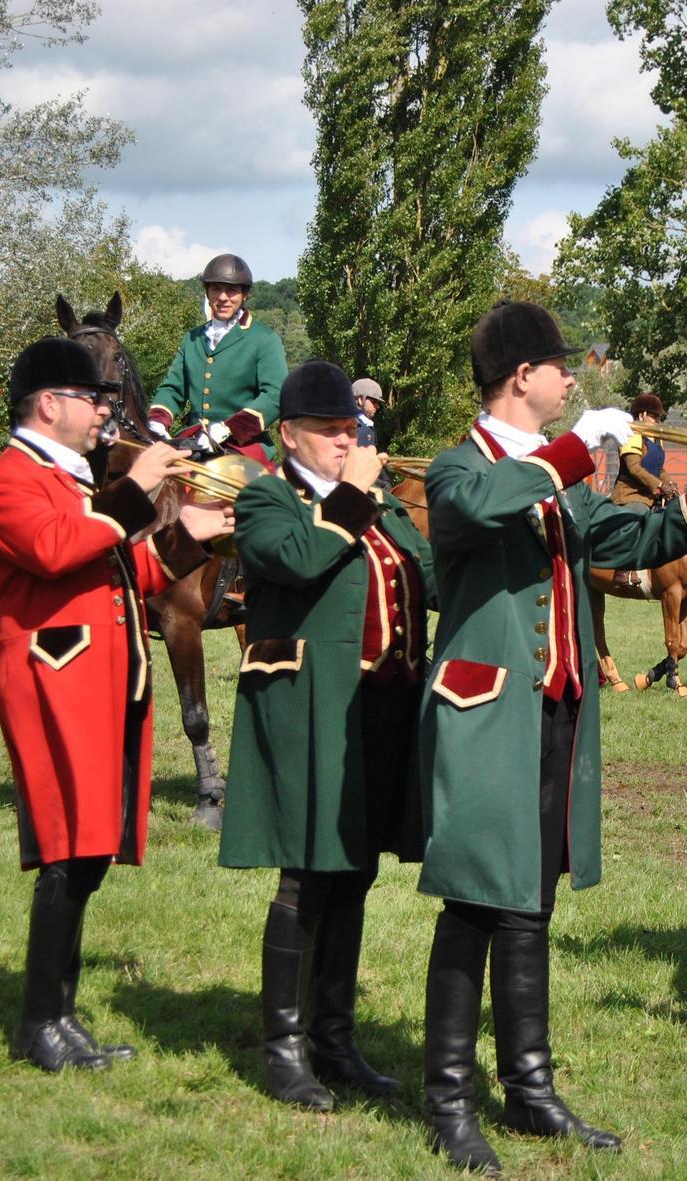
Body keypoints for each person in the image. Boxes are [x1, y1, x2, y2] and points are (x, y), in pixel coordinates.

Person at [417, 300, 687, 1175]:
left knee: (530, 897)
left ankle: (529, 1087)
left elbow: (635, 534)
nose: (571, 380)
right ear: (518, 377)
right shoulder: (461, 467)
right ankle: (449, 1098)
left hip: (555, 711)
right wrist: (578, 448)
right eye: (558, 368)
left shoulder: (559, 480)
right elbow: (476, 510)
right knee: (475, 898)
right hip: (485, 708)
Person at [0, 337, 232, 1072]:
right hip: (55, 685)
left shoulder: (68, 477)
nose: (104, 414)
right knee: (65, 851)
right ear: (49, 403)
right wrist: (136, 486)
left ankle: (60, 1013)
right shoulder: (8, 478)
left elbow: (126, 572)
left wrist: (187, 537)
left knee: (88, 854)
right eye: (94, 400)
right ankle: (36, 1022)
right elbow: (56, 550)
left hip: (103, 682)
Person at [218, 360, 434, 1110]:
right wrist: (358, 496)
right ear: (289, 435)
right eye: (329, 431)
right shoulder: (267, 499)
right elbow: (301, 557)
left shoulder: (376, 503)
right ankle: (283, 1045)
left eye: (352, 429)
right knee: (307, 875)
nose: (347, 442)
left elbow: (430, 578)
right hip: (309, 702)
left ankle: (334, 1038)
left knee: (355, 869)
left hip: (382, 707)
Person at [148, 253, 288, 462]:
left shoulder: (264, 338)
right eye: (216, 289)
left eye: (231, 290)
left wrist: (228, 428)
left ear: (244, 295)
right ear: (207, 292)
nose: (223, 297)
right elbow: (172, 388)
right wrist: (158, 420)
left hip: (242, 444)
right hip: (193, 439)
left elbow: (275, 394)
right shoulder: (192, 338)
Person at [611, 392, 678, 510]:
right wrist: (660, 485)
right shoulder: (632, 435)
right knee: (640, 513)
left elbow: (659, 469)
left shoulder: (656, 439)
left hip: (651, 496)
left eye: (659, 417)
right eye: (654, 416)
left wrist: (670, 484)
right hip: (631, 496)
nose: (658, 421)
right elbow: (634, 468)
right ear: (642, 415)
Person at [352, 376, 384, 449]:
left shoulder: (368, 425)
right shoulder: (350, 426)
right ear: (360, 400)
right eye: (374, 402)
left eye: (378, 403)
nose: (377, 406)